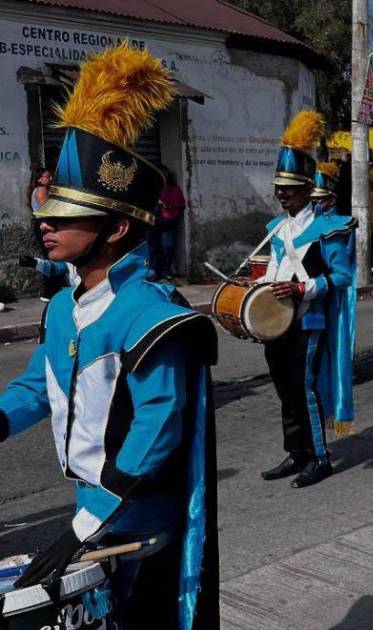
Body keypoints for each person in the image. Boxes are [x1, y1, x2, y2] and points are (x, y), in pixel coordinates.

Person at [0, 44, 218, 629]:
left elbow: (159, 426)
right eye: (49, 211)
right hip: (92, 510)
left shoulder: (148, 313)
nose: (45, 222)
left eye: (67, 214)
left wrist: (84, 524)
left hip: (139, 518)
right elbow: (40, 385)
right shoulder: (62, 307)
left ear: (117, 227)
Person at [257, 110, 356, 489]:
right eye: (278, 187)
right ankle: (296, 451)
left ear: (306, 188)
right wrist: (257, 287)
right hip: (278, 320)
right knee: (285, 390)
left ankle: (320, 456)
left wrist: (303, 288)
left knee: (305, 390)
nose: (282, 193)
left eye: (290, 187)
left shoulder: (328, 228)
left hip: (309, 321)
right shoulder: (276, 229)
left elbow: (343, 277)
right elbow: (274, 270)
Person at [28, 166, 63, 301]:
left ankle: (50, 290)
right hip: (44, 223)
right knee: (51, 257)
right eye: (47, 177)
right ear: (39, 179)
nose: (51, 178)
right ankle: (49, 291)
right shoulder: (42, 190)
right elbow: (48, 210)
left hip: (40, 223)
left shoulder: (35, 190)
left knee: (49, 256)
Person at [153, 167, 185, 281]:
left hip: (169, 222)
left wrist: (172, 206)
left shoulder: (175, 190)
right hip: (155, 221)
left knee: (168, 246)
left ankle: (165, 271)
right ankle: (155, 271)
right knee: (154, 248)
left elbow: (181, 204)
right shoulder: (154, 189)